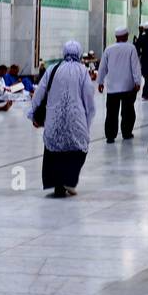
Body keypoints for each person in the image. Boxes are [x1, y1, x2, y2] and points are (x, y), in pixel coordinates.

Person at [28, 40, 96, 198]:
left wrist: (33, 113)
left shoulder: (53, 69)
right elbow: (88, 97)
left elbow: (40, 93)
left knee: (54, 151)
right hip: (76, 118)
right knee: (78, 149)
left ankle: (58, 183)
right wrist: (88, 118)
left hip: (54, 118)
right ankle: (69, 180)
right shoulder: (82, 71)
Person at [99, 26, 143, 143]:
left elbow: (102, 67)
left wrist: (100, 82)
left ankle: (110, 136)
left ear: (116, 37)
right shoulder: (131, 48)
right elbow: (135, 66)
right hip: (127, 86)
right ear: (126, 36)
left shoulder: (109, 49)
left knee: (111, 113)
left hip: (112, 88)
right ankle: (126, 133)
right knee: (127, 112)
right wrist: (137, 82)